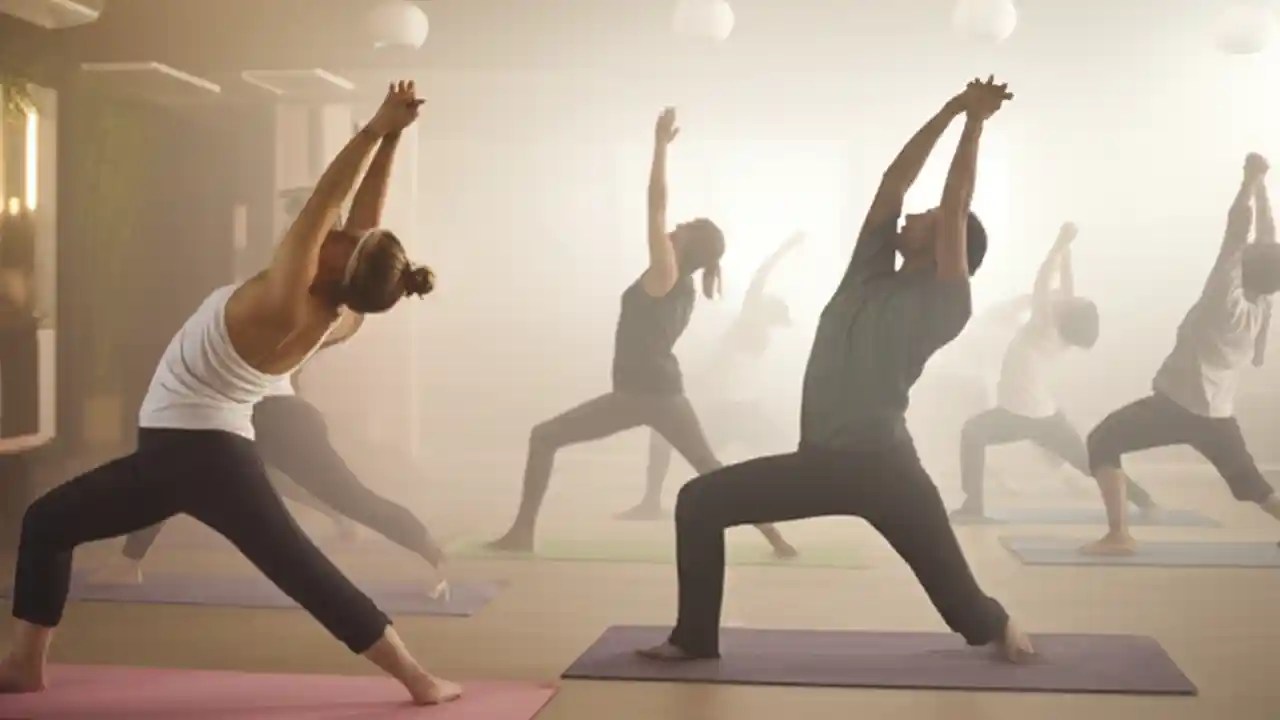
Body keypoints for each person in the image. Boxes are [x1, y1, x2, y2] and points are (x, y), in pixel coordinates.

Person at [0, 82, 461, 705]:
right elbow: (362, 225)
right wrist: (395, 139)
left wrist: (375, 129)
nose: (343, 232)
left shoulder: (284, 296)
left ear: (334, 264)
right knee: (54, 523)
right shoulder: (339, 312)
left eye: (346, 241)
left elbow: (329, 202)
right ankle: (417, 678)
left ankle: (419, 678)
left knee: (297, 567)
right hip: (195, 451)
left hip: (193, 452)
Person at [636, 77, 1035, 664]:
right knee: (700, 502)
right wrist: (948, 108)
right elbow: (893, 183)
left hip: (885, 469)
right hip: (820, 460)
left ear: (948, 248)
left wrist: (973, 123)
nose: (912, 215)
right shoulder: (867, 275)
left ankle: (997, 621)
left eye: (923, 219)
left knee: (967, 613)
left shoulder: (947, 300)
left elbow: (954, 202)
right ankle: (693, 638)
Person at [94, 185, 447, 595]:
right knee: (178, 476)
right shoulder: (326, 301)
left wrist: (370, 150)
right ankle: (128, 563)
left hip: (275, 417)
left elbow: (333, 236)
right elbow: (333, 238)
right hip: (267, 415)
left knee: (348, 495)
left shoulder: (318, 305)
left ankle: (435, 557)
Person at [486, 108, 795, 558]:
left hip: (639, 394)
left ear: (689, 245)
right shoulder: (683, 282)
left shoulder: (668, 271)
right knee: (709, 466)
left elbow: (655, 203)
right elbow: (660, 213)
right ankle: (777, 539)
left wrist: (659, 146)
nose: (674, 227)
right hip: (662, 394)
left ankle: (521, 534)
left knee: (544, 436)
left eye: (683, 228)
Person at [1081, 153, 1280, 555]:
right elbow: (1265, 242)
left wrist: (1249, 181)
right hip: (1217, 417)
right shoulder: (1262, 307)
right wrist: (1261, 191)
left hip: (1176, 406)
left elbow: (1237, 234)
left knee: (1102, 440)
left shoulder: (1224, 298)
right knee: (1251, 487)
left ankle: (1119, 535)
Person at [950, 222, 1159, 520]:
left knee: (972, 433)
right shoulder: (1059, 332)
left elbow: (1043, 280)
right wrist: (1067, 254)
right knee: (1087, 462)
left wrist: (1059, 244)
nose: (1068, 299)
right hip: (1045, 415)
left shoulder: (1042, 325)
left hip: (1017, 414)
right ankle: (1145, 501)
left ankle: (973, 506)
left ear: (1065, 314)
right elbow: (1066, 291)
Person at [620, 231, 805, 520]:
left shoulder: (751, 327)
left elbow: (759, 281)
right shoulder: (750, 323)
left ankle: (657, 502)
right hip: (732, 410)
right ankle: (655, 502)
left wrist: (784, 249)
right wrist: (783, 249)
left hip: (736, 410)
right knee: (680, 446)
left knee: (686, 448)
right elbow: (760, 279)